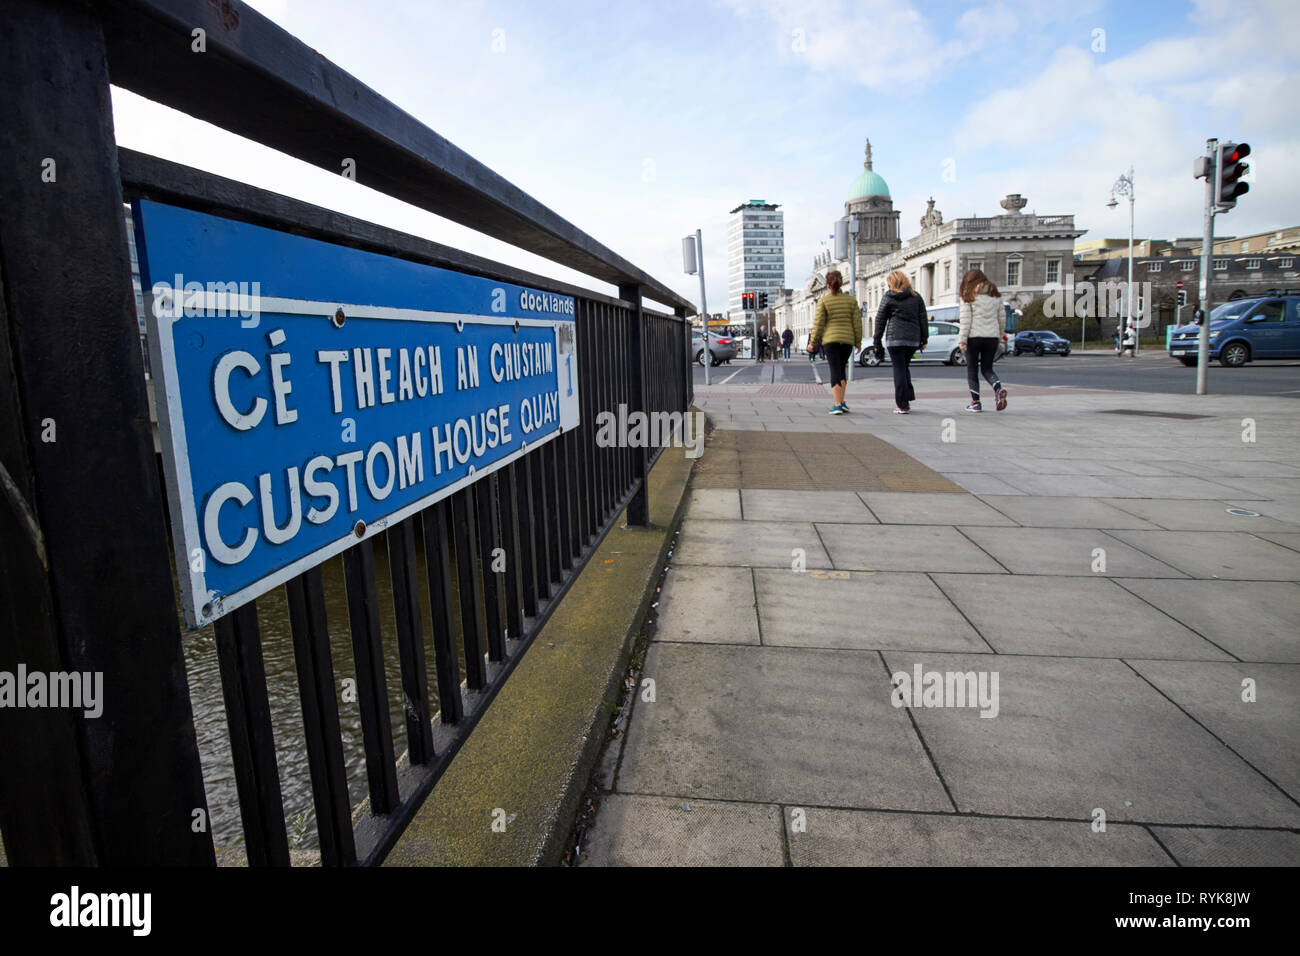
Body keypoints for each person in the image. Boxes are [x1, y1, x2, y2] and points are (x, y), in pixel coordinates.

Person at [807, 269, 862, 415]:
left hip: (830, 340)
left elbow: (818, 324)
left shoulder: (824, 300)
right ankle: (842, 402)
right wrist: (858, 342)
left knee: (834, 371)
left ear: (828, 285)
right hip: (847, 340)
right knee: (841, 369)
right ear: (841, 282)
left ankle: (837, 404)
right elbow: (857, 323)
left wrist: (812, 342)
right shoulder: (851, 300)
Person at [872, 270, 927, 414]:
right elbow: (923, 319)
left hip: (895, 339)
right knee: (904, 367)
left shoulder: (889, 297)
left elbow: (880, 319)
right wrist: (924, 339)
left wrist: (876, 341)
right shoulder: (916, 297)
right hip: (912, 339)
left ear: (892, 283)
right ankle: (907, 398)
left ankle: (902, 404)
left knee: (899, 370)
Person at [957, 269, 1008, 412]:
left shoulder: (968, 296)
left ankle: (976, 402)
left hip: (974, 337)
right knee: (987, 368)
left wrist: (962, 340)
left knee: (972, 370)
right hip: (991, 337)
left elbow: (966, 320)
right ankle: (998, 389)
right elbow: (1002, 318)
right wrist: (1000, 335)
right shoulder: (995, 296)